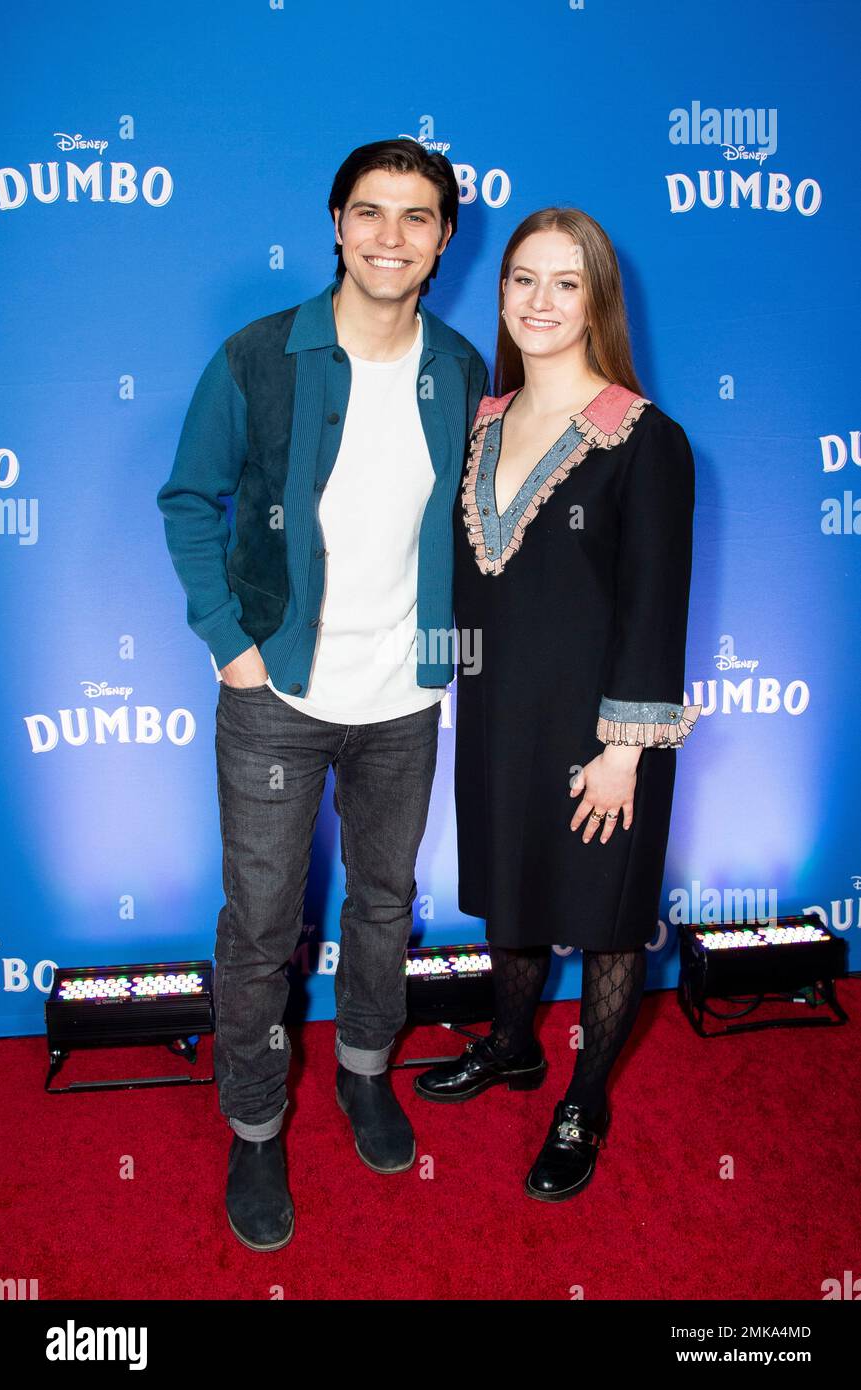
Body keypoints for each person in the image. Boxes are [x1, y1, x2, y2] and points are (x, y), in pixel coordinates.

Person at [156, 138, 489, 1251]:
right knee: (259, 925)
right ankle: (255, 1123)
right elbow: (187, 498)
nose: (392, 235)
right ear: (337, 225)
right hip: (276, 693)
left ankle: (361, 1071)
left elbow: (466, 529)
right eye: (370, 212)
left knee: (385, 902)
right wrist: (228, 643)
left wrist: (452, 666)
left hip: (404, 698)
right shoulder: (259, 355)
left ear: (446, 237)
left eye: (417, 216)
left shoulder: (459, 366)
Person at [413, 207, 701, 1202]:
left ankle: (582, 1097)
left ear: (596, 301)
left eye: (565, 282)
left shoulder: (642, 439)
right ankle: (510, 1046)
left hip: (602, 731)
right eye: (521, 279)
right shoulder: (478, 426)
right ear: (498, 296)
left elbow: (654, 604)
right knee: (515, 893)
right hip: (499, 719)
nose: (539, 301)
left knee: (608, 918)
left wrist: (624, 749)